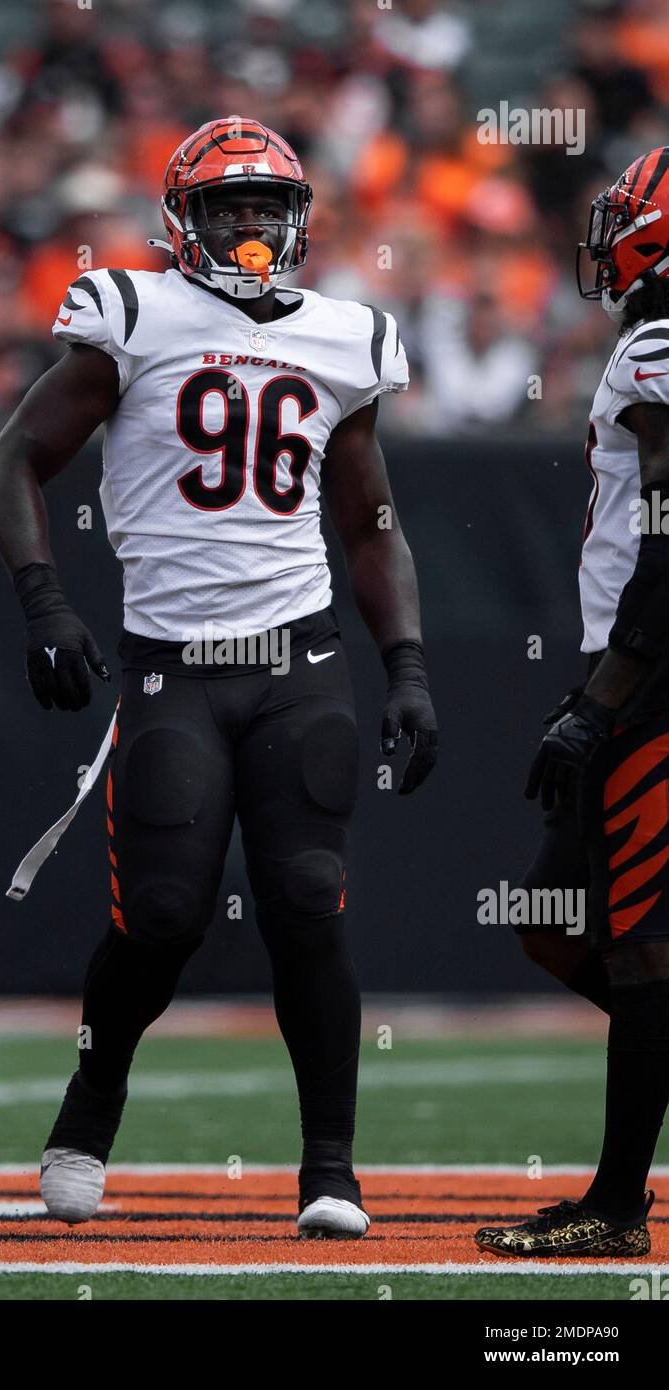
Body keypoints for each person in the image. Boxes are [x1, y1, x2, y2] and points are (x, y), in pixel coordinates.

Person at [0, 116, 437, 1239]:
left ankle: (330, 1170)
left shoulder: (344, 336)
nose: (246, 225)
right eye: (226, 205)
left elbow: (369, 523)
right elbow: (8, 465)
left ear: (297, 221)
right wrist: (44, 602)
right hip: (172, 668)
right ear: (179, 220)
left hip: (300, 663)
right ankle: (89, 1114)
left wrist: (408, 666)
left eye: (264, 207)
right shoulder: (128, 313)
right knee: (166, 914)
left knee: (306, 900)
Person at [477, 148, 669, 1258]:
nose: (602, 239)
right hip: (637, 668)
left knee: (636, 941)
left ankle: (611, 1207)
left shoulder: (654, 344)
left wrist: (599, 701)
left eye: (624, 220)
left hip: (644, 678)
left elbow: (666, 545)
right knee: (556, 920)